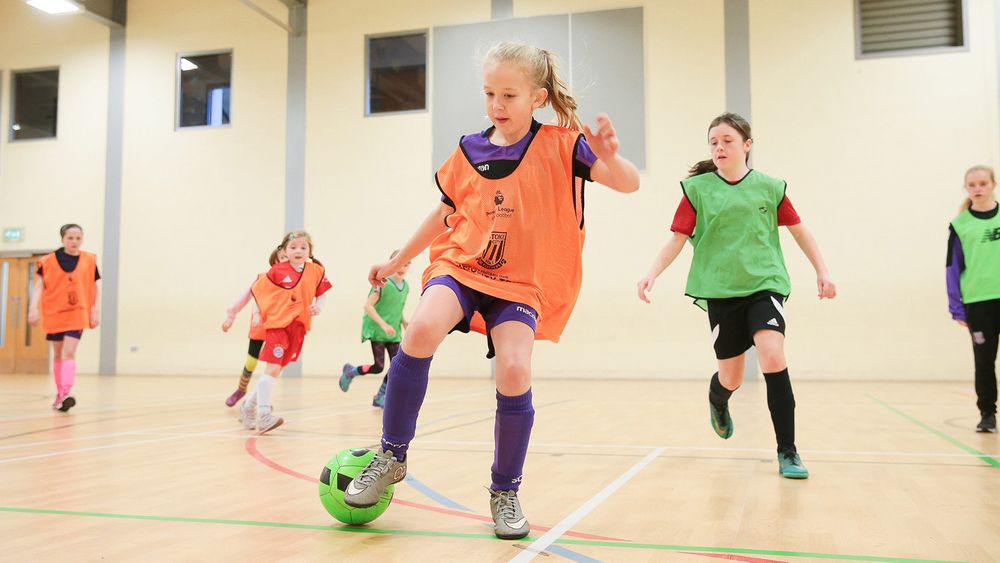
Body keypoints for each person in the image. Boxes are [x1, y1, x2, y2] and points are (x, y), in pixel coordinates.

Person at [342, 42, 639, 540]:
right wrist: (397, 260)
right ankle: (391, 455)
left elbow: (627, 184)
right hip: (461, 265)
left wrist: (611, 156)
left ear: (537, 97)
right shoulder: (468, 149)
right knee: (420, 328)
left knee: (516, 369)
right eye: (489, 93)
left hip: (521, 282)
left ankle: (505, 490)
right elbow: (444, 213)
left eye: (509, 95)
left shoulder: (563, 145)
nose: (496, 105)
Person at [637, 112, 836, 479]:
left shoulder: (770, 187)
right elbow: (677, 239)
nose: (719, 147)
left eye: (727, 140)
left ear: (747, 145)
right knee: (731, 377)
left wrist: (822, 271)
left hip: (765, 283)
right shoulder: (697, 190)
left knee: (772, 353)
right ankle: (718, 399)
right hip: (721, 290)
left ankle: (788, 451)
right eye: (713, 142)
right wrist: (651, 273)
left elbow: (800, 230)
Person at [238, 231, 331, 434]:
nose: (298, 251)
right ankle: (263, 415)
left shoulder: (316, 271)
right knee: (272, 369)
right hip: (277, 325)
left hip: (298, 327)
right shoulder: (276, 271)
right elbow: (258, 291)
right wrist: (257, 314)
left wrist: (318, 307)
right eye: (293, 247)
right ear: (284, 251)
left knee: (275, 372)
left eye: (303, 247)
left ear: (310, 251)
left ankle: (247, 407)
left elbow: (322, 294)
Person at [947, 165, 1000, 433]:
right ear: (966, 188)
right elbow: (952, 267)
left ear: (993, 185)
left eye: (982, 183)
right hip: (978, 303)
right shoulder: (960, 225)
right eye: (972, 185)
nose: (977, 188)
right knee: (984, 361)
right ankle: (987, 413)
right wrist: (956, 306)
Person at [27, 224, 101, 412]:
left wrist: (96, 310)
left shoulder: (89, 260)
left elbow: (95, 286)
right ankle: (60, 395)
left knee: (69, 352)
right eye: (70, 238)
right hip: (55, 312)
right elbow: (39, 286)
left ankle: (66, 392)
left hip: (78, 312)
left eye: (78, 238)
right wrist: (33, 308)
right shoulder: (47, 261)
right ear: (62, 239)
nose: (75, 241)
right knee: (58, 354)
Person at [339, 250, 411, 408]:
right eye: (400, 263)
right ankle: (351, 371)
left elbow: (396, 309)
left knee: (396, 367)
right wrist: (383, 324)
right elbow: (368, 306)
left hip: (393, 332)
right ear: (391, 263)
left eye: (406, 264)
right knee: (378, 367)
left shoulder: (406, 287)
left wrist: (404, 322)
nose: (402, 268)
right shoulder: (383, 283)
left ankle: (380, 396)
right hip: (377, 330)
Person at [221, 246, 286, 407]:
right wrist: (230, 317)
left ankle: (259, 399)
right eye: (282, 257)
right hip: (260, 325)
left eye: (287, 257)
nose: (285, 260)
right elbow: (247, 297)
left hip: (279, 327)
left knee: (273, 366)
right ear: (275, 261)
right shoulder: (263, 278)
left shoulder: (295, 281)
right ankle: (241, 389)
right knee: (251, 362)